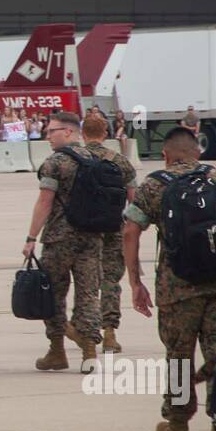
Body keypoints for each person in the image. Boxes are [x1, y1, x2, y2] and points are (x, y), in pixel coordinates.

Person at [123, 126, 216, 431]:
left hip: (177, 289)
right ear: (199, 152)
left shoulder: (155, 185)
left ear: (166, 155)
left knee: (179, 359)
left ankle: (178, 429)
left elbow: (130, 232)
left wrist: (135, 282)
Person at [24, 112, 102, 373]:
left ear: (68, 132)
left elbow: (45, 202)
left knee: (53, 294)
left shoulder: (55, 163)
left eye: (52, 131)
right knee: (89, 294)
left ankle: (57, 350)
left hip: (60, 239)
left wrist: (31, 237)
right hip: (92, 238)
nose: (47, 137)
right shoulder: (99, 160)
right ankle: (89, 351)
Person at [80, 113, 137, 353]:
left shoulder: (76, 159)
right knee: (111, 280)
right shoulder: (121, 162)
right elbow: (134, 202)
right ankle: (110, 333)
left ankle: (86, 332)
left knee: (86, 283)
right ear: (105, 134)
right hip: (114, 228)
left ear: (83, 134)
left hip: (83, 230)